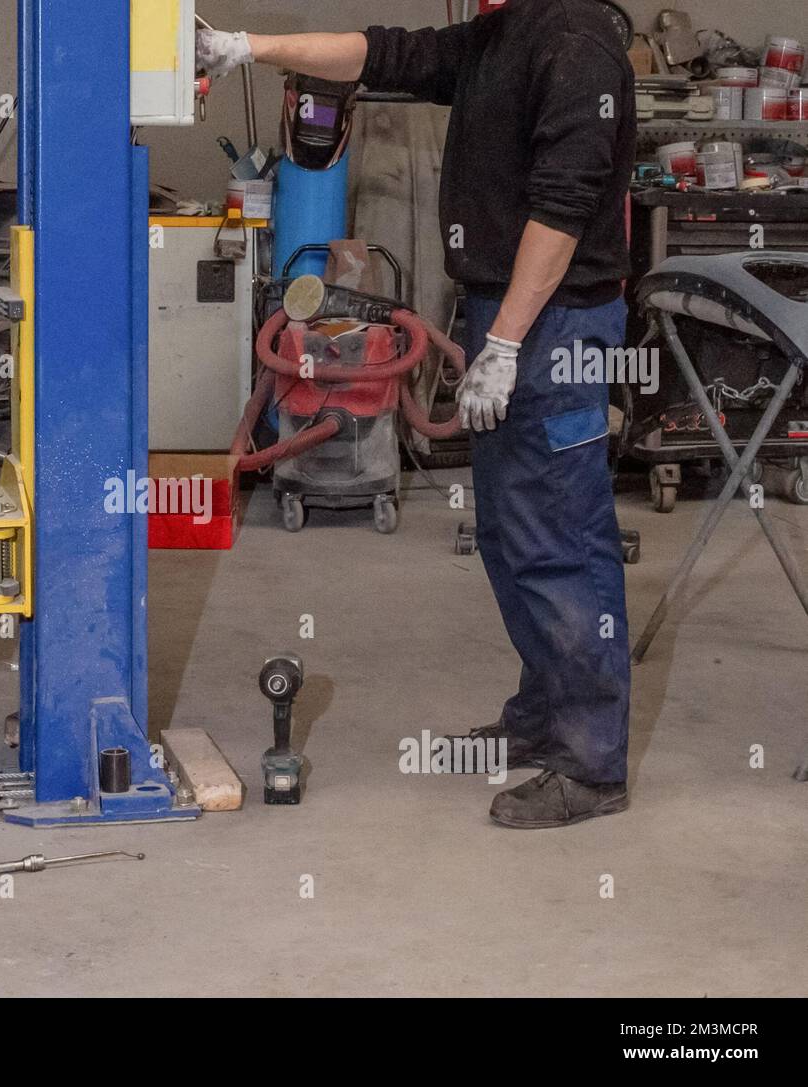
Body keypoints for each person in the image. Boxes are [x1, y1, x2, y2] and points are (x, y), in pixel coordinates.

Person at [199, 1, 636, 828]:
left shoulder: (576, 42)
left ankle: (591, 763)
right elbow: (376, 54)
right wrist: (245, 47)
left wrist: (505, 343)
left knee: (562, 540)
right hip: (507, 315)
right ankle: (546, 718)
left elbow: (564, 207)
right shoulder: (495, 36)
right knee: (513, 532)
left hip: (555, 324)